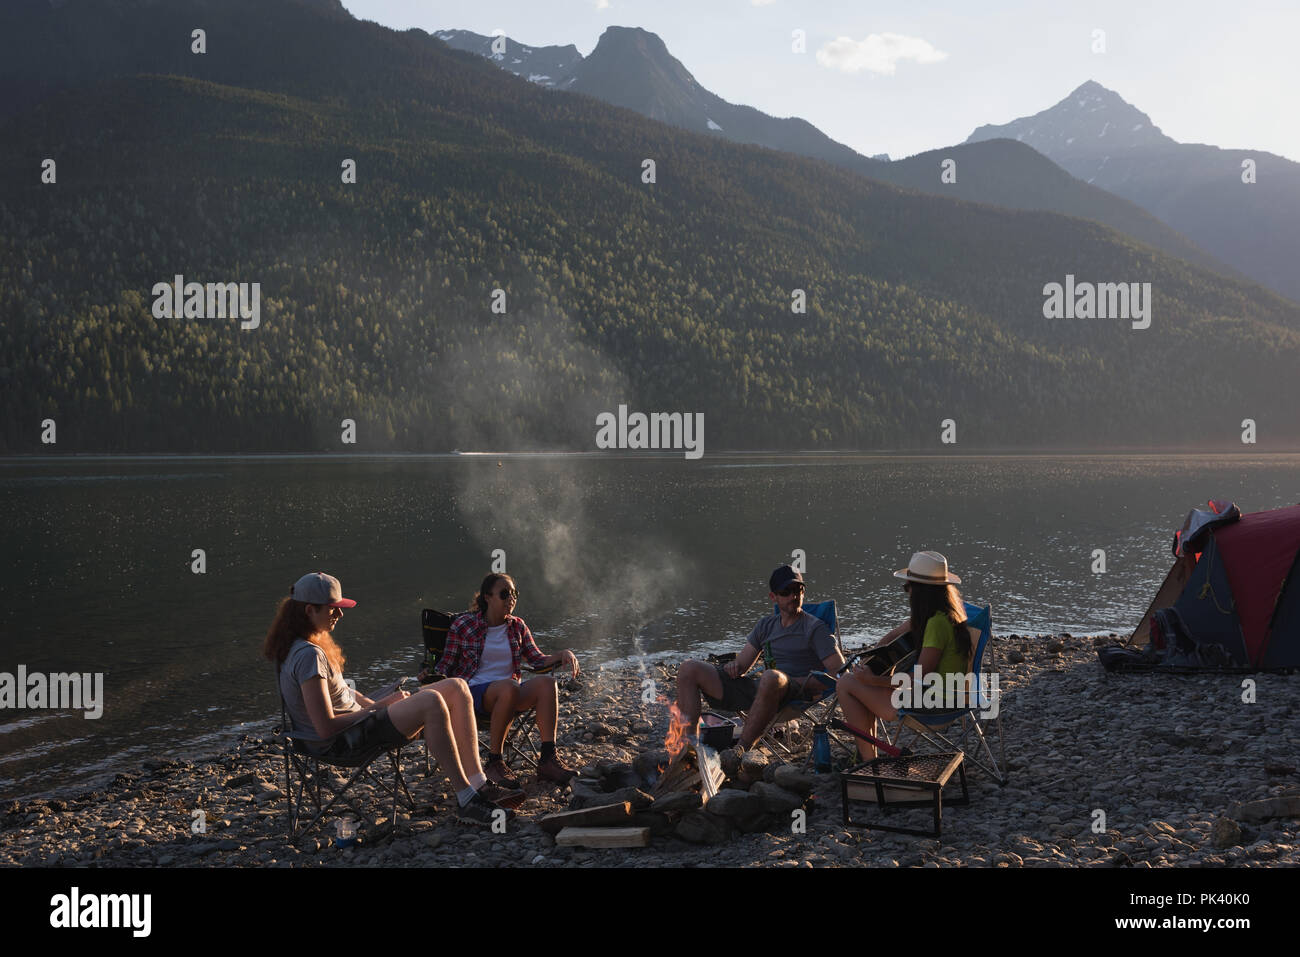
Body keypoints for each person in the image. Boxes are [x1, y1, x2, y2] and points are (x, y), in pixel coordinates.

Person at [262, 571, 524, 825]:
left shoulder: (304, 646)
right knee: (431, 702)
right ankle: (467, 800)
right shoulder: (309, 655)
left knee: (456, 686)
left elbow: (341, 693)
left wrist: (377, 702)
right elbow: (325, 727)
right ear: (309, 610)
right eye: (333, 608)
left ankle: (478, 783)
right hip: (345, 740)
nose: (340, 614)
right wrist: (378, 707)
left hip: (359, 724)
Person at [674, 564, 845, 754]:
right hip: (763, 688)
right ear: (774, 597)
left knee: (770, 677)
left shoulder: (815, 628)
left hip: (796, 692)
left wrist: (800, 681)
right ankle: (689, 748)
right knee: (689, 669)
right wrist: (733, 667)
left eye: (798, 590)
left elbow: (839, 673)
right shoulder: (766, 625)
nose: (794, 596)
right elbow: (742, 665)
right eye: (786, 591)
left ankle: (739, 752)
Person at [437, 573, 580, 786]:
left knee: (547, 684)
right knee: (510, 687)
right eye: (504, 594)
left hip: (509, 691)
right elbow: (444, 666)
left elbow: (537, 660)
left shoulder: (517, 626)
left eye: (514, 594)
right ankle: (494, 762)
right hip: (474, 693)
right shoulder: (464, 625)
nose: (511, 599)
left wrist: (562, 654)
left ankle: (548, 759)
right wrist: (429, 679)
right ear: (487, 597)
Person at [835, 551, 971, 760]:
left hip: (933, 704)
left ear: (920, 591)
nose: (906, 592)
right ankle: (867, 757)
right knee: (859, 683)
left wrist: (873, 679)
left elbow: (919, 679)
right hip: (946, 695)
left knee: (845, 684)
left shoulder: (936, 624)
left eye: (908, 587)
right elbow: (894, 635)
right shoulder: (943, 614)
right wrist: (870, 659)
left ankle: (868, 761)